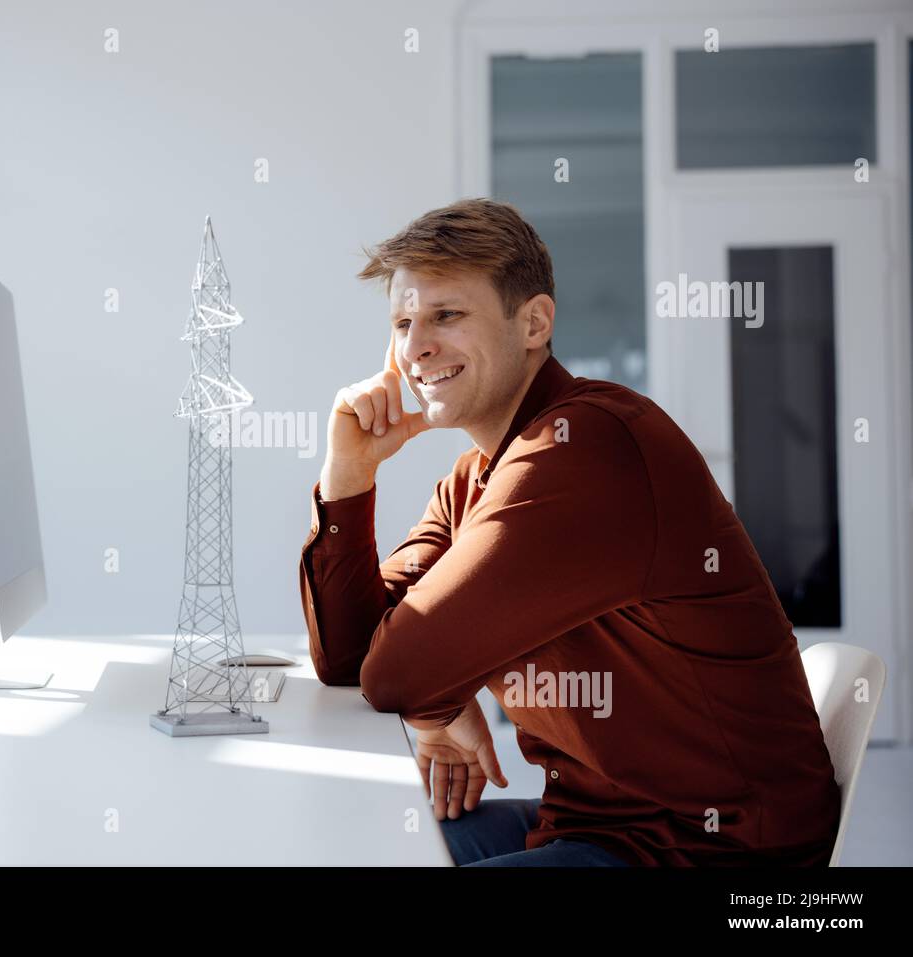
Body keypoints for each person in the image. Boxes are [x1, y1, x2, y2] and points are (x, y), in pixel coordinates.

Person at [298, 198, 841, 866]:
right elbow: (354, 662)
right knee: (353, 846)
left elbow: (395, 677)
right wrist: (347, 476)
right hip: (591, 822)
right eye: (403, 321)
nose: (415, 347)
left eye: (446, 315)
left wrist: (432, 698)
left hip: (709, 848)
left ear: (533, 322)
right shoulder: (474, 478)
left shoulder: (584, 447)